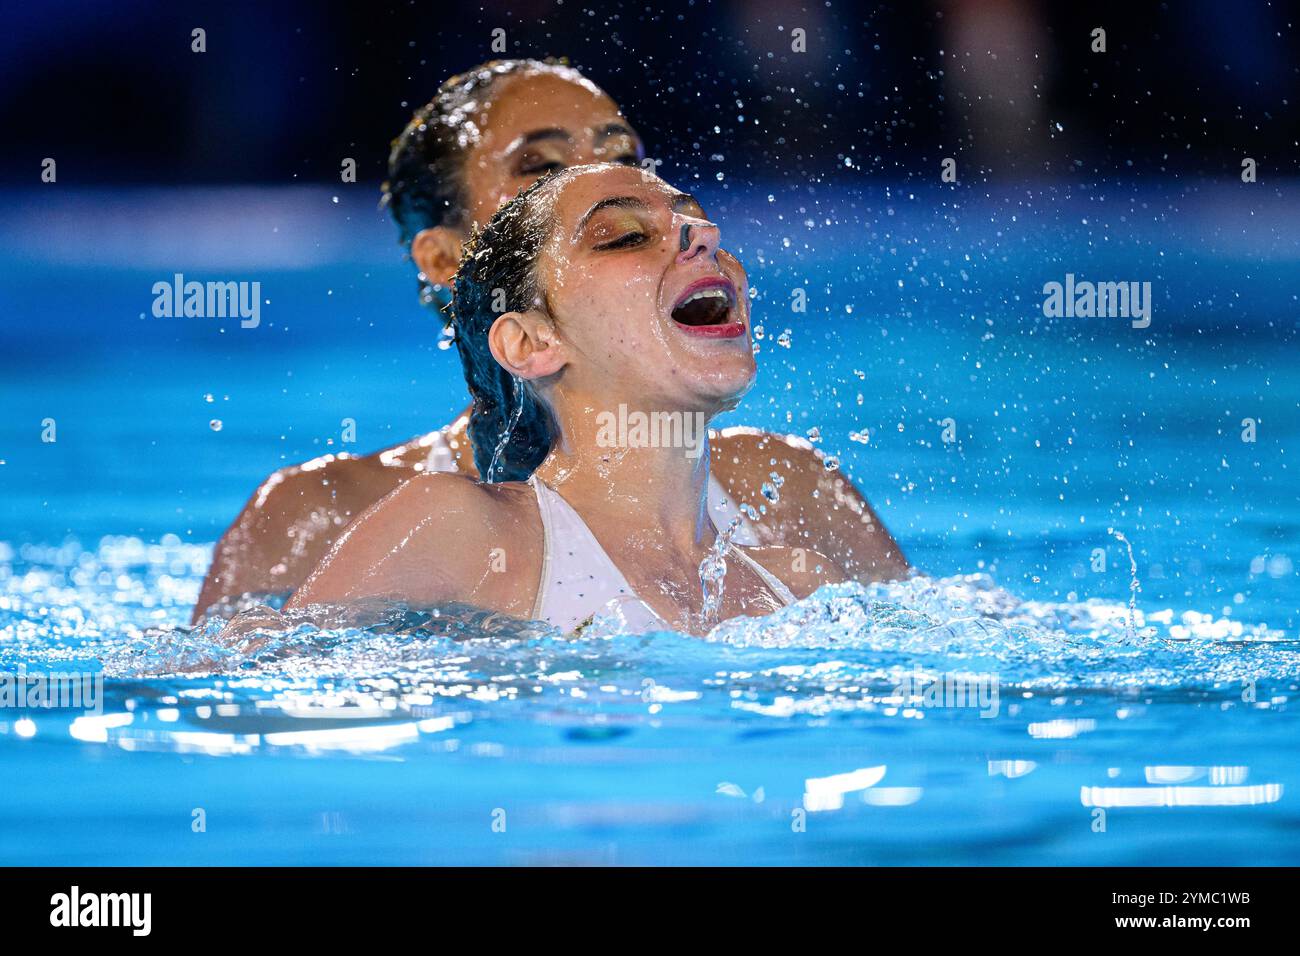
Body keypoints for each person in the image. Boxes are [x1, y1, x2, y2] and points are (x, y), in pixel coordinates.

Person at [193, 58, 906, 623]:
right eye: (541, 169)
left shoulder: (790, 512)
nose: (595, 180)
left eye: (627, 161)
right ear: (448, 260)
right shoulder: (354, 516)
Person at [289, 163, 844, 634]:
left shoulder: (800, 586)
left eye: (696, 220)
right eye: (626, 236)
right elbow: (256, 680)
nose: (706, 236)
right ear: (531, 343)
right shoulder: (462, 529)